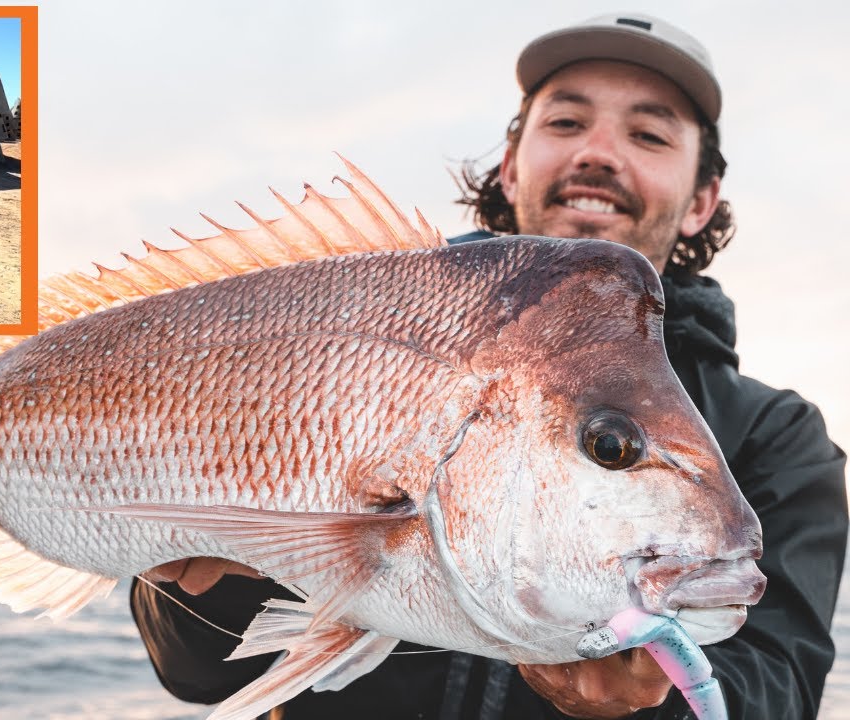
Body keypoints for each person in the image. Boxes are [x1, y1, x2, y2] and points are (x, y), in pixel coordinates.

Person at [129, 12, 849, 719]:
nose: (597, 151)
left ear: (701, 201)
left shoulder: (776, 437)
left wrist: (648, 710)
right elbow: (197, 675)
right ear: (510, 169)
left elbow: (777, 694)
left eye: (649, 133)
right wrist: (208, 582)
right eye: (565, 123)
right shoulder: (342, 342)